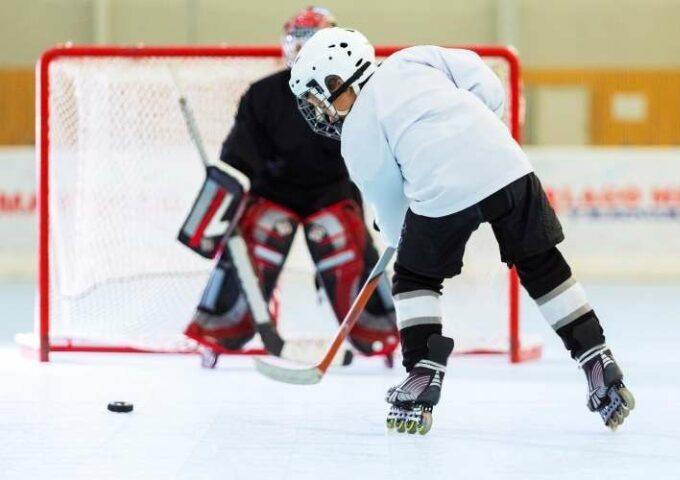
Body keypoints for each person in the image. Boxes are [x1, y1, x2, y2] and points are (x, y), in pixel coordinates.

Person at [287, 27, 635, 434]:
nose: (322, 112)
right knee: (541, 264)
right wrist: (470, 134)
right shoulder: (411, 58)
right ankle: (596, 356)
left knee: (416, 278)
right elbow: (484, 81)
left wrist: (400, 233)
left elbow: (395, 212)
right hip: (508, 164)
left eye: (318, 98)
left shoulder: (358, 133)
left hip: (443, 189)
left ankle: (421, 376)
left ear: (336, 80)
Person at [183, 8, 399, 365]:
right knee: (263, 230)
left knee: (336, 234)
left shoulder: (351, 93)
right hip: (274, 193)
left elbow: (368, 153)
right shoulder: (263, 95)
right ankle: (220, 328)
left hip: (331, 192)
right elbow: (240, 157)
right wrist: (220, 199)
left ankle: (380, 332)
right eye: (296, 42)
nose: (301, 51)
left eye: (311, 43)